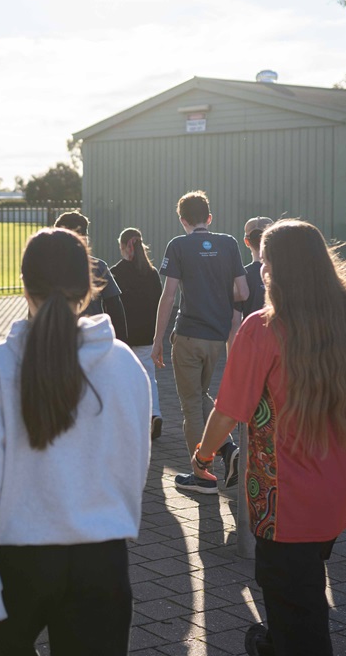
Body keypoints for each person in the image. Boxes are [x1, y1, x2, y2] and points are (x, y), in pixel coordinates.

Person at [189, 220, 346, 656]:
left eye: (266, 263)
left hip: (281, 506)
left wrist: (203, 456)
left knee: (299, 614)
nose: (262, 272)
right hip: (334, 502)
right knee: (302, 591)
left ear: (278, 269)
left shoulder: (262, 330)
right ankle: (271, 641)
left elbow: (229, 412)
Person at [0, 228, 152, 655]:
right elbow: (134, 464)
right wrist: (111, 517)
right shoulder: (123, 364)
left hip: (19, 559)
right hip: (101, 558)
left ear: (24, 286)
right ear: (89, 288)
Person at [151, 190, 248, 495]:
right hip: (216, 338)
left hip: (189, 334)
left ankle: (200, 474)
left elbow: (168, 297)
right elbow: (243, 292)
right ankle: (229, 448)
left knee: (191, 405)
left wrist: (157, 340)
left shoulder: (178, 245)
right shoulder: (230, 243)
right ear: (209, 217)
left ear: (182, 220)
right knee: (201, 395)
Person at [110, 227, 164, 440]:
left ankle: (128, 419)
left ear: (123, 247)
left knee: (123, 377)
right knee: (149, 375)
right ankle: (154, 414)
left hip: (123, 334)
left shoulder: (115, 272)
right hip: (147, 334)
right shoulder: (151, 273)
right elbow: (159, 303)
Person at [54, 211, 128, 341]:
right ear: (85, 238)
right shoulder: (97, 267)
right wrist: (121, 342)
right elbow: (115, 307)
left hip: (58, 339)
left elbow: (35, 310)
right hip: (93, 338)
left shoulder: (47, 267)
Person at [233, 216, 273, 329]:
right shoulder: (286, 274)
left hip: (252, 341)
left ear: (246, 241)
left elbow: (235, 323)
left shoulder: (240, 278)